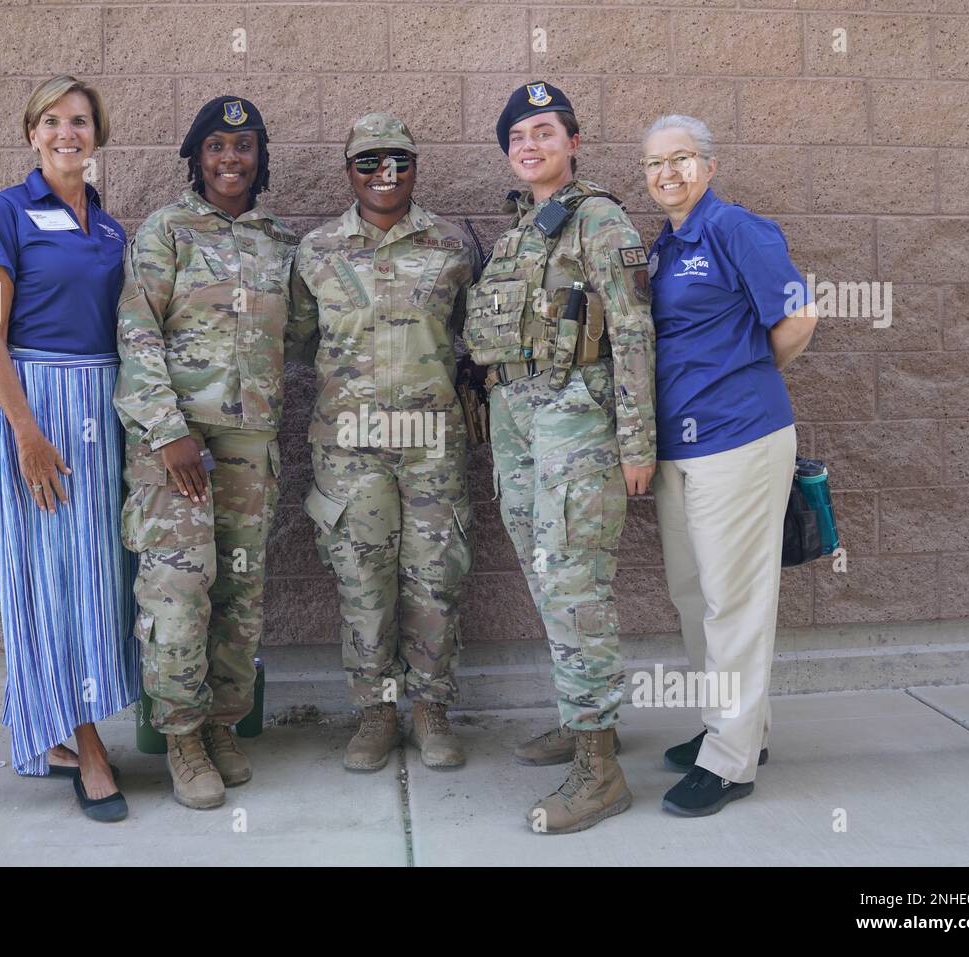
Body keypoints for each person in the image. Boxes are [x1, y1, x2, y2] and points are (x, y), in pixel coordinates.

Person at [462, 82, 657, 834]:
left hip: (578, 417)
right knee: (550, 578)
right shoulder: (520, 232)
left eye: (545, 132)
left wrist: (637, 440)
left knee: (575, 580)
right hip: (517, 420)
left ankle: (600, 770)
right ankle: (586, 723)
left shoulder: (599, 219)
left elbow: (635, 332)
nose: (530, 145)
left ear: (573, 142)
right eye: (518, 136)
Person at [113, 96, 297, 810]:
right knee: (177, 593)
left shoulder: (277, 238)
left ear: (260, 157)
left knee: (239, 594)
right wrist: (167, 433)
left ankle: (222, 723)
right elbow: (136, 333)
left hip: (251, 445)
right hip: (175, 449)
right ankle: (182, 735)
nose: (230, 159)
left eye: (243, 146)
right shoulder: (167, 230)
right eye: (217, 145)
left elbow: (301, 335)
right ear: (196, 155)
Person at [0, 75, 138, 823]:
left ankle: (52, 729)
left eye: (80, 120)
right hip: (35, 406)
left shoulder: (110, 229)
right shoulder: (3, 212)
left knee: (97, 573)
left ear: (96, 135)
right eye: (51, 120)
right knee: (47, 574)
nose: (66, 132)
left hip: (101, 406)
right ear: (32, 133)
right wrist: (27, 433)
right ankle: (86, 742)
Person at [288, 114, 476, 773]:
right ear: (348, 171)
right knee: (363, 582)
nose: (384, 172)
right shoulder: (314, 252)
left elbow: (474, 339)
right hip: (350, 448)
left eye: (398, 159)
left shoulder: (453, 243)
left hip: (432, 445)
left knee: (434, 577)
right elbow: (300, 342)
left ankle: (430, 708)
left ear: (416, 167)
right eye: (368, 161)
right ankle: (377, 711)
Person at [640, 115, 816, 817]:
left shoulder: (737, 228)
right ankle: (736, 725)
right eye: (655, 164)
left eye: (682, 159)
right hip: (679, 450)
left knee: (734, 602)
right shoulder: (665, 242)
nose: (668, 173)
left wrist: (744, 376)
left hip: (739, 440)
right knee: (694, 596)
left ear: (710, 166)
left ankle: (732, 761)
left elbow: (799, 313)